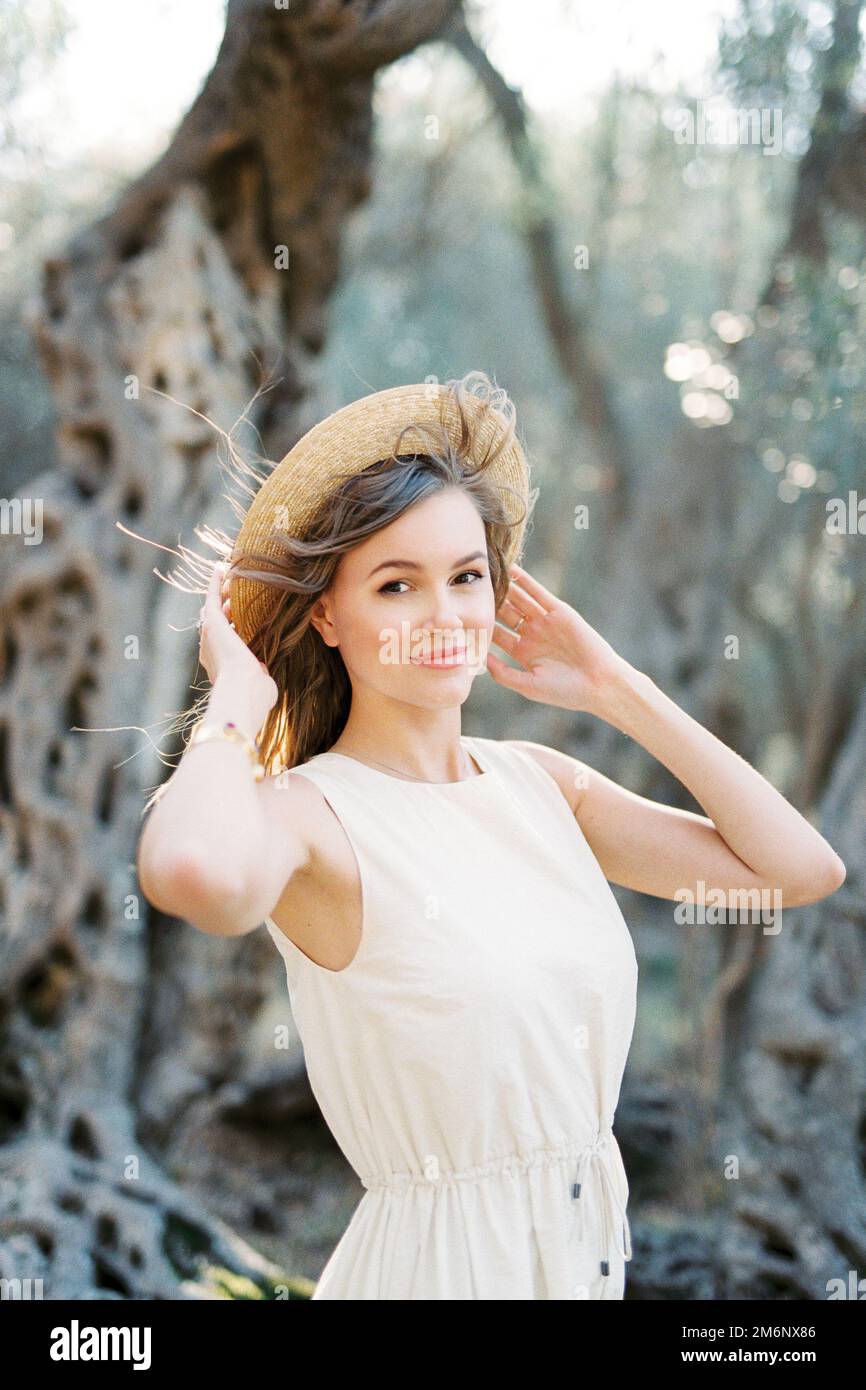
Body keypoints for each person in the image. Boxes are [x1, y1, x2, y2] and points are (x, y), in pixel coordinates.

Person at [137, 370, 846, 1301]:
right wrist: (236, 696)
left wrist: (614, 687)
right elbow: (194, 873)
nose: (446, 618)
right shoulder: (314, 816)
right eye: (397, 586)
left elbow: (799, 870)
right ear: (328, 615)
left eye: (468, 577)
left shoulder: (539, 785)